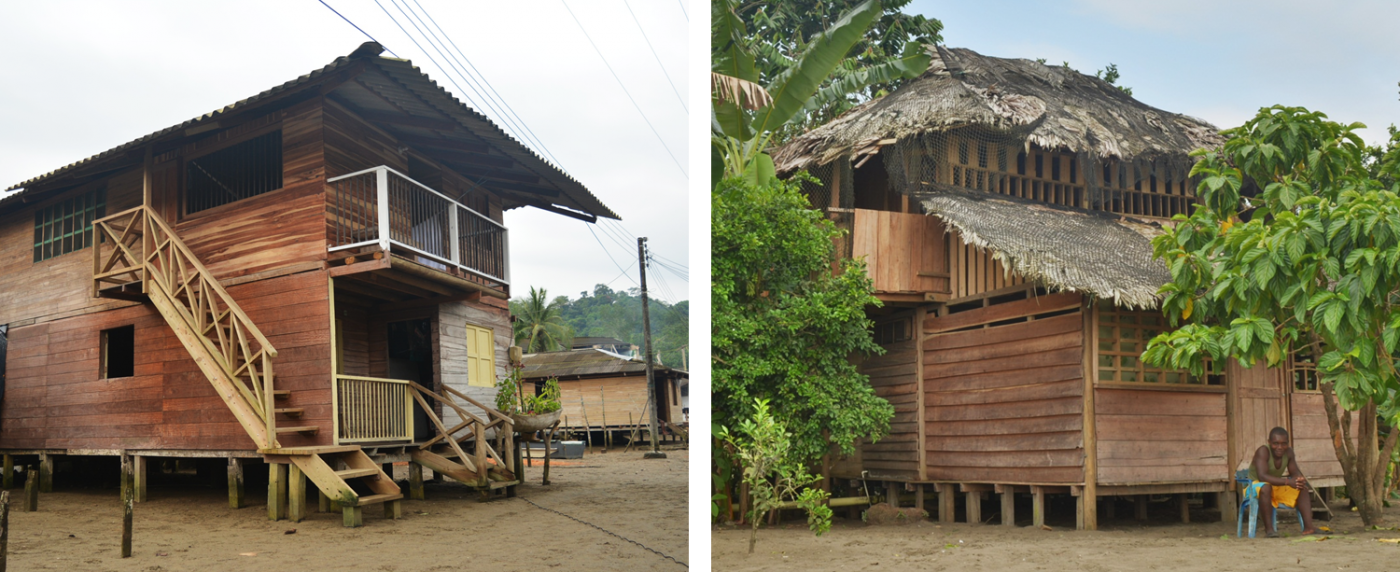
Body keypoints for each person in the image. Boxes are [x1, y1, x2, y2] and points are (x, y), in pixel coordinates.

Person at [1248, 426, 1316, 537]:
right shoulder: (1263, 451)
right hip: (1254, 486)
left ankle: (1309, 528)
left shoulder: (1289, 452)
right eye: (1276, 443)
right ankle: (1269, 530)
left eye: (1284, 443)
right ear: (1269, 442)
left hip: (1275, 486)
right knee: (1265, 487)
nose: (1280, 447)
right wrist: (1288, 482)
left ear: (1288, 443)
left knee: (1302, 488)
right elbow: (1262, 477)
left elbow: (1294, 472)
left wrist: (1299, 479)